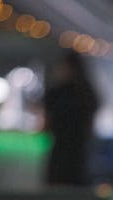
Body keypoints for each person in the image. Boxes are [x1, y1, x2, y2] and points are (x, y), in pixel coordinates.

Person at [44, 51, 99, 185]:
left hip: (65, 148)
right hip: (80, 149)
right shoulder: (87, 91)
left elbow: (46, 122)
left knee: (59, 183)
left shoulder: (57, 92)